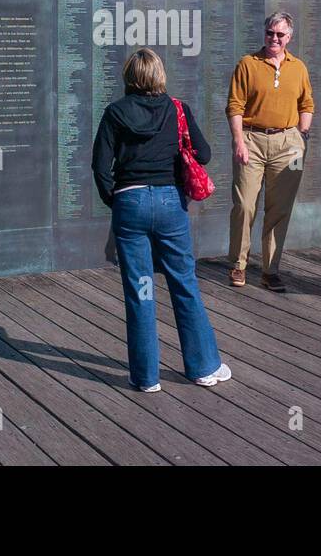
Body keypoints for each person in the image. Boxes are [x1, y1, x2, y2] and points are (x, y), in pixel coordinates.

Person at [92, 47, 231, 392]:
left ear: (129, 76)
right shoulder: (177, 109)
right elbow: (205, 154)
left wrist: (117, 200)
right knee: (184, 283)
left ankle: (146, 378)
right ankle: (203, 368)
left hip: (130, 201)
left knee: (140, 289)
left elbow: (100, 166)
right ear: (159, 75)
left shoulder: (115, 112)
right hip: (170, 202)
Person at [225, 11, 315, 292]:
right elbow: (235, 105)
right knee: (245, 206)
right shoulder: (247, 64)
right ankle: (238, 264)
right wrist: (238, 141)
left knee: (280, 209)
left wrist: (302, 135)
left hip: (288, 145)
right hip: (251, 140)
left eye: (280, 34)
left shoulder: (298, 67)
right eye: (270, 33)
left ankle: (270, 271)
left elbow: (307, 104)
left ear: (290, 37)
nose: (274, 38)